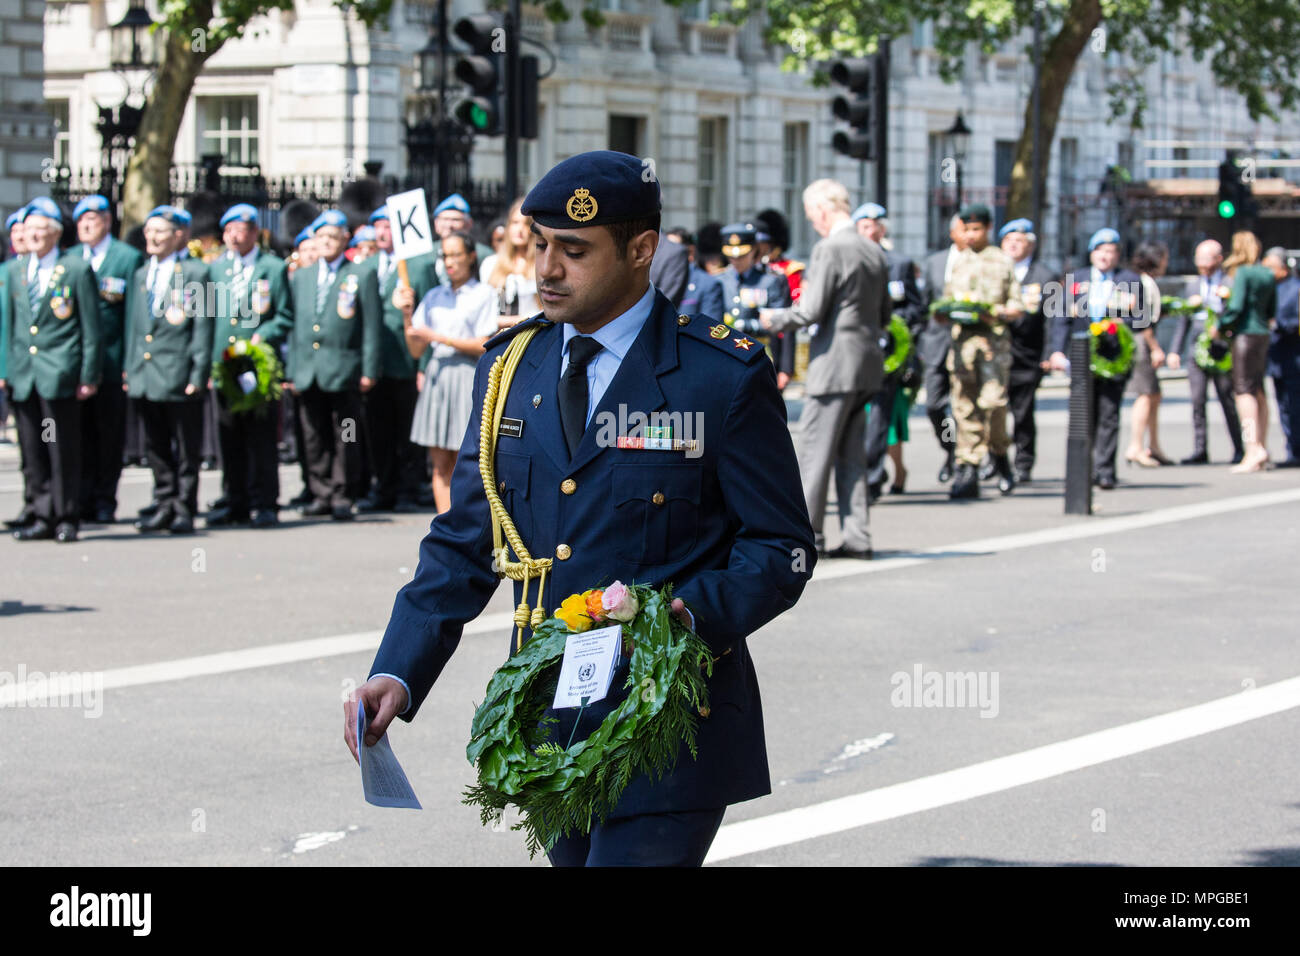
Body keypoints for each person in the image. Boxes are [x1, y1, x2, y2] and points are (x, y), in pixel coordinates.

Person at [345, 149, 814, 867]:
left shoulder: (719, 376)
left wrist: (684, 615)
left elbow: (780, 548)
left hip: (669, 722)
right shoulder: (508, 367)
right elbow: (468, 538)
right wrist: (398, 671)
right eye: (540, 245)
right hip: (550, 719)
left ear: (641, 251)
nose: (547, 269)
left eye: (574, 250)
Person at [760, 178, 886, 559]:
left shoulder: (830, 248)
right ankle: (857, 537)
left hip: (833, 365)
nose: (813, 222)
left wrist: (772, 318)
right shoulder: (873, 249)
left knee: (815, 455)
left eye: (812, 215)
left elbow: (810, 310)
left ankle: (809, 536)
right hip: (866, 365)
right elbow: (884, 315)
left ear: (823, 210)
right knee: (852, 457)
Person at [1, 197, 102, 542]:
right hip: (25, 375)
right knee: (33, 450)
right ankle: (41, 513)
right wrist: (5, 369)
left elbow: (90, 327)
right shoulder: (15, 271)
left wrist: (88, 375)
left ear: (55, 233)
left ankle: (66, 514)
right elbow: (10, 327)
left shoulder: (74, 269)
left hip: (58, 374)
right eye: (27, 229)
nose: (30, 235)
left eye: (38, 228)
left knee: (60, 447)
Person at [286, 209, 381, 520]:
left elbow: (370, 326)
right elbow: (295, 325)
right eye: (321, 237)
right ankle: (320, 490)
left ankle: (344, 491)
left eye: (332, 237)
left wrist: (369, 369)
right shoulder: (302, 275)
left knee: (347, 434)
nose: (326, 242)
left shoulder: (360, 274)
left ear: (344, 239)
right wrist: (292, 369)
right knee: (313, 435)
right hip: (309, 370)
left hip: (344, 371)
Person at [206, 203, 294, 529]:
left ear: (254, 232)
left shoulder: (271, 267)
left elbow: (284, 314)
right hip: (226, 366)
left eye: (240, 229)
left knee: (261, 436)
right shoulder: (215, 269)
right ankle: (236, 500)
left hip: (259, 366)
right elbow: (209, 319)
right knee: (229, 437)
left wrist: (263, 336)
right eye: (228, 230)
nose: (233, 236)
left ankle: (266, 502)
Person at [124, 206, 211, 534]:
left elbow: (203, 326)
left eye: (160, 232)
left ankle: (184, 505)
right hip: (146, 372)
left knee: (186, 445)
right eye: (149, 231)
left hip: (178, 370)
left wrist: (198, 371)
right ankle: (163, 501)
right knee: (155, 445)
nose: (153, 238)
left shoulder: (196, 273)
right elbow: (134, 326)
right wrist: (130, 368)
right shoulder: (140, 274)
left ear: (178, 236)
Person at [400, 231, 497, 514]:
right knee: (440, 462)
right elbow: (416, 349)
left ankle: (465, 523)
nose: (449, 262)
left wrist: (439, 337)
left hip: (467, 375)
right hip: (437, 375)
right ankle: (443, 523)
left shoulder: (483, 294)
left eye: (455, 254)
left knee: (465, 460)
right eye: (444, 255)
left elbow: (484, 343)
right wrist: (408, 315)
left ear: (470, 257)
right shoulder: (433, 296)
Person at [1047, 227, 1145, 489]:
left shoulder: (1130, 280)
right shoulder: (1074, 279)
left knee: (1109, 414)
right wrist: (1057, 350)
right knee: (1083, 414)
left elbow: (1142, 320)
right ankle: (1084, 469)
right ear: (1092, 253)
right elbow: (1060, 318)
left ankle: (1105, 471)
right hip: (1081, 353)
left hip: (1113, 354)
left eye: (1111, 251)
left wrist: (1124, 317)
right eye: (1100, 250)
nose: (1105, 256)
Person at [357, 204, 438, 514]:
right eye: (377, 227)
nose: (381, 233)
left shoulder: (416, 266)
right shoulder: (368, 265)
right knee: (378, 429)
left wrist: (423, 364)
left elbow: (429, 316)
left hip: (406, 360)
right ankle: (385, 486)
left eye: (388, 227)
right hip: (376, 361)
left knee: (408, 430)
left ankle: (409, 486)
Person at [68, 195, 143, 524]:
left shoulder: (126, 258)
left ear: (107, 222)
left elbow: (133, 317)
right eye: (81, 220)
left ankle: (103, 499)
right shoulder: (68, 259)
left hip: (112, 363)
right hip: (75, 364)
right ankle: (80, 497)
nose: (86, 225)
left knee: (108, 436)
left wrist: (131, 361)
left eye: (93, 219)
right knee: (77, 435)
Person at [941, 204, 1024, 499]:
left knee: (994, 404)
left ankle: (1001, 457)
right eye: (966, 230)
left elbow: (1018, 305)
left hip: (993, 347)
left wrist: (995, 312)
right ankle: (968, 467)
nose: (971, 235)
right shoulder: (959, 261)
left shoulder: (1002, 261)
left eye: (976, 229)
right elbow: (948, 299)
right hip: (963, 346)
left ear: (987, 228)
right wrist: (944, 312)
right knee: (964, 407)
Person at [854, 202, 925, 498]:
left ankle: (872, 478)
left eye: (876, 226)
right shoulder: (850, 259)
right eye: (865, 226)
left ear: (883, 230)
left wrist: (893, 322)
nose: (871, 231)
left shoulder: (899, 264)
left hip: (888, 354)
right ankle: (866, 470)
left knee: (881, 417)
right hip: (854, 350)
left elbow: (916, 307)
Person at [1168, 239, 1244, 464]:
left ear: (1219, 259)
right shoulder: (1192, 286)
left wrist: (1223, 317)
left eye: (1206, 259)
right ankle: (1200, 449)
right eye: (1198, 259)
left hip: (1221, 350)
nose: (1201, 264)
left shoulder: (1230, 284)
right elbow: (1183, 322)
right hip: (1196, 350)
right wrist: (1174, 351)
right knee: (1197, 401)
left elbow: (1238, 315)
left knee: (1228, 402)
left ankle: (1240, 448)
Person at [994, 218, 1058, 483]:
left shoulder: (1044, 276)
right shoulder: (994, 271)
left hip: (1028, 355)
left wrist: (1050, 353)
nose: (1014, 246)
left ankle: (1023, 462)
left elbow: (1053, 319)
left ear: (1030, 245)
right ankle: (995, 461)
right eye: (1009, 241)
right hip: (995, 352)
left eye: (1019, 241)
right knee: (993, 410)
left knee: (1022, 412)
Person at [1218, 230, 1276, 473]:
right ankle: (1262, 444)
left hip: (1244, 334)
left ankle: (1252, 447)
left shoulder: (1243, 273)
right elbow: (1271, 308)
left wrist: (1221, 326)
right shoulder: (1267, 273)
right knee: (1258, 390)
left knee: (1243, 392)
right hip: (1262, 333)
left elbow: (1236, 306)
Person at [919, 214, 965, 482]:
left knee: (964, 407)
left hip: (968, 346)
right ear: (952, 232)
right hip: (937, 343)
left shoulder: (980, 262)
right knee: (935, 405)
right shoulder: (935, 262)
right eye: (963, 230)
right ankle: (950, 449)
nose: (968, 235)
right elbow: (924, 306)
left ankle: (962, 461)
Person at [719, 222, 794, 380]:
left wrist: (744, 325)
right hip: (725, 356)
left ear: (753, 250)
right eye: (732, 256)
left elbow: (780, 321)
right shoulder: (719, 280)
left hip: (758, 355)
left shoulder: (769, 281)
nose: (736, 260)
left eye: (742, 255)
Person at [1125, 241, 1171, 468]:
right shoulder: (1141, 282)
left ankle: (1153, 444)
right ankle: (1136, 446)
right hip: (1142, 341)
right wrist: (1155, 348)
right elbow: (1143, 321)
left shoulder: (1142, 281)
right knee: (1145, 394)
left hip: (1142, 339)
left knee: (1154, 394)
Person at [1263, 249, 1300, 467]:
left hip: (1293, 356)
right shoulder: (1271, 289)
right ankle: (1291, 450)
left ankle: (1296, 451)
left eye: (1270, 267)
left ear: (1282, 268)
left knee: (1295, 407)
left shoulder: (1296, 288)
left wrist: (1277, 325)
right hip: (1276, 358)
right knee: (1283, 407)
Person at [479, 199, 540, 328]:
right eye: (515, 222)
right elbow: (483, 311)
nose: (520, 229)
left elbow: (544, 313)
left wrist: (507, 321)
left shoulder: (540, 265)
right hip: (495, 339)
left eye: (526, 224)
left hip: (529, 336)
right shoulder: (491, 263)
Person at [431, 193, 494, 285]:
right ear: (436, 224)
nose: (449, 225)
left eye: (455, 220)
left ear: (469, 224)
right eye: (444, 219)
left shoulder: (484, 255)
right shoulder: (426, 253)